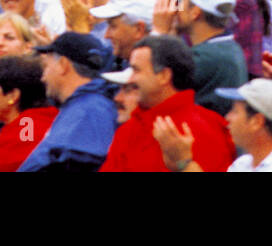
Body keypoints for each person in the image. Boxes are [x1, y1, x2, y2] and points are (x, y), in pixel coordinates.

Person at [100, 34, 236, 172]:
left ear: (163, 76)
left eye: (136, 70)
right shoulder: (130, 129)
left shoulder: (205, 130)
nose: (130, 79)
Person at [19, 32, 118, 171]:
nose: (43, 77)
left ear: (63, 65)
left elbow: (79, 162)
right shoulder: (84, 106)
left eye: (46, 66)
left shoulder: (90, 111)